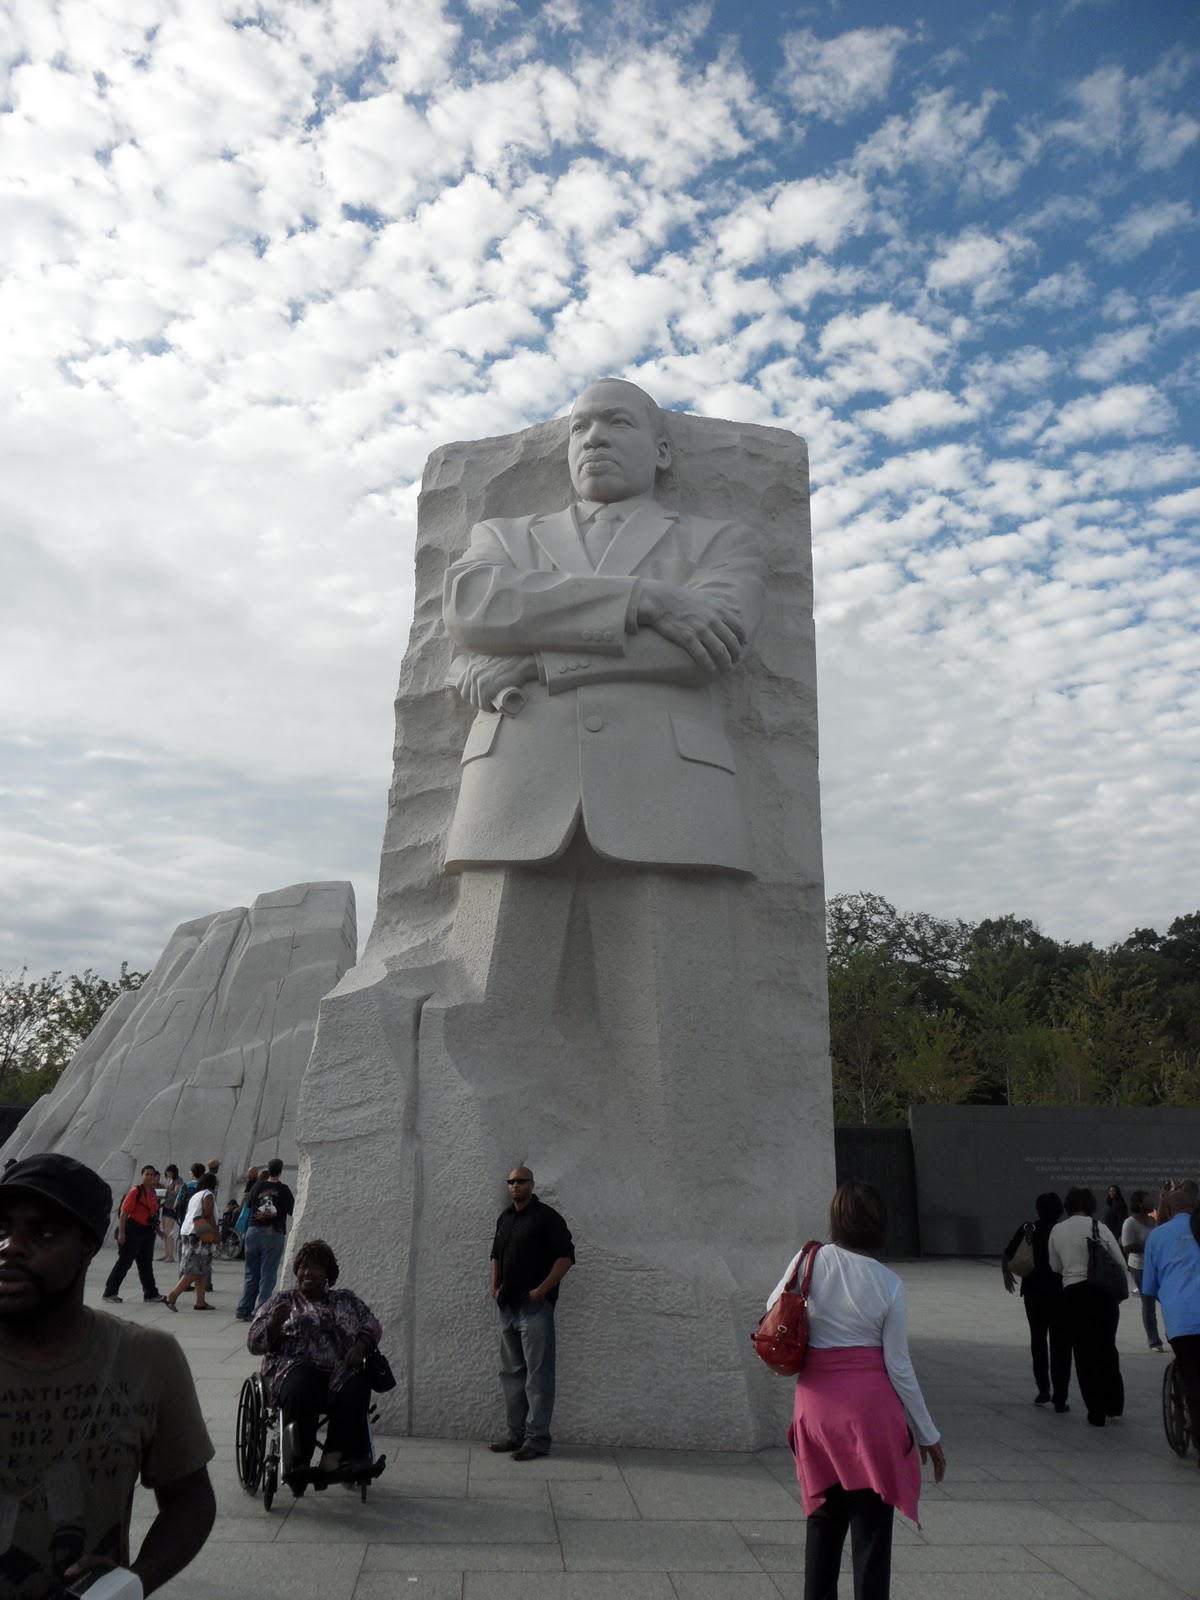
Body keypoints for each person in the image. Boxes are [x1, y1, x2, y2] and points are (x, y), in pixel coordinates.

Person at [0, 1153, 215, 1597]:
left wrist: (137, 1578)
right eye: (1, 1229)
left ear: (88, 1246)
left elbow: (190, 1499)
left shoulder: (146, 1358)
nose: (11, 1246)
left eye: (43, 1232)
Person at [769, 1181, 944, 1600]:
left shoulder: (809, 1260)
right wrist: (928, 1433)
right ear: (878, 1224)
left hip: (816, 1409)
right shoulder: (889, 1283)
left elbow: (774, 1308)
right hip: (871, 1414)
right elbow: (898, 1366)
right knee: (871, 1532)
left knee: (823, 1522)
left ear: (837, 1221)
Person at [247, 1239, 383, 1493]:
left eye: (315, 1268)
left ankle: (332, 1457)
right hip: (294, 1367)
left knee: (358, 1384)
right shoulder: (284, 1301)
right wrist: (273, 1325)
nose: (307, 1272)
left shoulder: (346, 1300)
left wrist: (360, 1346)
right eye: (303, 1267)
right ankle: (298, 1462)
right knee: (304, 1384)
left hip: (339, 1370)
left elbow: (372, 1325)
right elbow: (254, 1343)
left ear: (328, 1275)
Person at [489, 1166, 575, 1461]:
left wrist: (541, 1291)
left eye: (521, 1181)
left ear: (532, 1184)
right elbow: (495, 1255)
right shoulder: (505, 1218)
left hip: (535, 1309)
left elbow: (566, 1258)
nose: (515, 1186)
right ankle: (515, 1435)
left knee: (538, 1377)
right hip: (508, 1308)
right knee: (511, 1374)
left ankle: (537, 1440)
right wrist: (494, 1287)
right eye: (511, 1181)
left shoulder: (547, 1218)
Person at [1047, 1187, 1128, 1427]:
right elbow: (1120, 1262)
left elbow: (1055, 1266)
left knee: (1083, 1353)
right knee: (1107, 1349)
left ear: (1068, 1205)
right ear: (1091, 1205)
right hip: (1103, 1295)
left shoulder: (1057, 1230)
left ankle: (1096, 1411)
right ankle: (1114, 1403)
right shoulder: (1099, 1227)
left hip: (1074, 1294)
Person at [1143, 1183, 1200, 1460]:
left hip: (1182, 1321)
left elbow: (1150, 1287)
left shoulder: (1158, 1236)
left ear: (1167, 1209)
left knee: (1192, 1380)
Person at [1001, 1192, 1071, 1410]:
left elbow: (1008, 1253)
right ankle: (1061, 1396)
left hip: (1033, 1292)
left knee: (1038, 1340)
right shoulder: (1063, 1231)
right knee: (1061, 1344)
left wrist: (1007, 1272)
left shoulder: (1028, 1228)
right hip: (1061, 1292)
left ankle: (1043, 1389)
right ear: (1060, 1210)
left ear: (1037, 1209)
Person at [235, 1158, 295, 1321]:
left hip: (253, 1231)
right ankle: (261, 1310)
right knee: (267, 1274)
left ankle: (243, 1308)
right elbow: (292, 1210)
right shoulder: (283, 1190)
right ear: (280, 1170)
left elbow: (249, 1205)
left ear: (268, 1169)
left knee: (251, 1272)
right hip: (273, 1233)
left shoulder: (257, 1186)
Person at [102, 1165, 164, 1305]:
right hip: (133, 1230)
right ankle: (110, 1292)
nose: (149, 1177)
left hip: (147, 1231)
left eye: (151, 1175)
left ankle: (150, 1293)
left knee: (146, 1264)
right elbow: (124, 1213)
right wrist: (122, 1233)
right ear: (142, 1176)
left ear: (155, 1177)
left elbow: (153, 1214)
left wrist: (159, 1231)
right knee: (124, 1262)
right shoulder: (136, 1191)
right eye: (146, 1174)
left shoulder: (153, 1193)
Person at [163, 1173, 218, 1311]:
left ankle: (200, 1301)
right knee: (194, 1269)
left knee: (202, 1269)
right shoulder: (208, 1195)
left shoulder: (196, 1195)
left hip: (188, 1232)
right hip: (200, 1234)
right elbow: (208, 1213)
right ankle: (172, 1295)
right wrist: (215, 1232)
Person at [1120, 1190, 1164, 1352]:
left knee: (1165, 1299)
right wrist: (1147, 1246)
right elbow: (1126, 1246)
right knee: (1148, 1304)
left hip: (1155, 1266)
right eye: (1147, 1200)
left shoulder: (1152, 1222)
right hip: (1139, 1267)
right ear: (1139, 1204)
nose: (1151, 1203)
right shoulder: (1130, 1223)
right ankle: (1154, 1341)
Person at [159, 1165, 183, 1264]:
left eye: (170, 1172)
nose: (168, 1174)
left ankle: (171, 1256)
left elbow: (176, 1192)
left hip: (172, 1208)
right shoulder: (170, 1180)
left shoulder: (178, 1180)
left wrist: (166, 1190)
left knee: (169, 1231)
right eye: (167, 1173)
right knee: (164, 1231)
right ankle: (167, 1253)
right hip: (166, 1206)